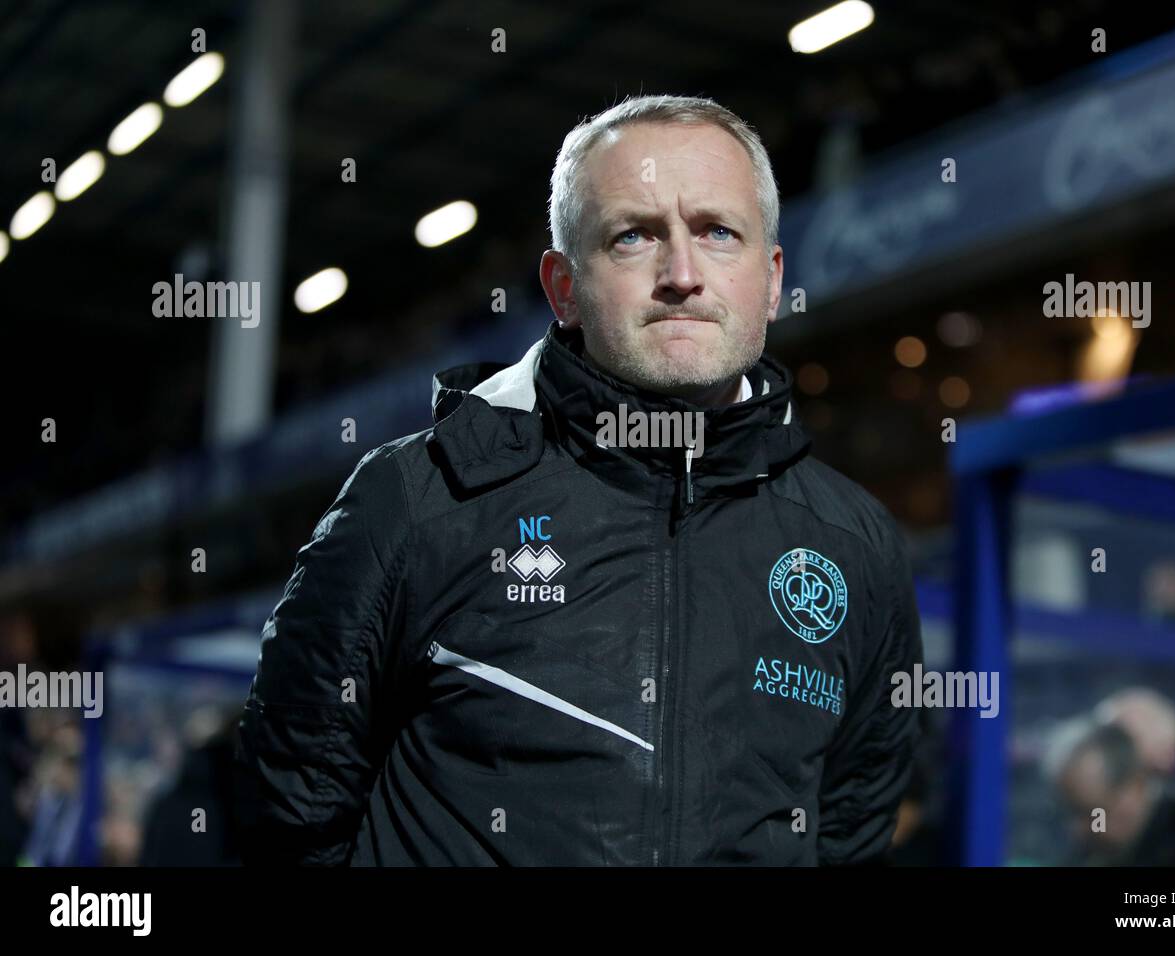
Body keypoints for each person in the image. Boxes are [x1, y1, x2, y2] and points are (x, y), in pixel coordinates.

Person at [235, 94, 923, 866]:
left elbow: (851, 831)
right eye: (634, 236)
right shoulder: (420, 500)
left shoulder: (854, 544)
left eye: (717, 233)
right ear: (563, 288)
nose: (683, 275)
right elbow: (291, 811)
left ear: (769, 278)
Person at [1050, 719, 1175, 866]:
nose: (1078, 830)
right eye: (1073, 812)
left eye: (1092, 814)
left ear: (1133, 789)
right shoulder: (1097, 851)